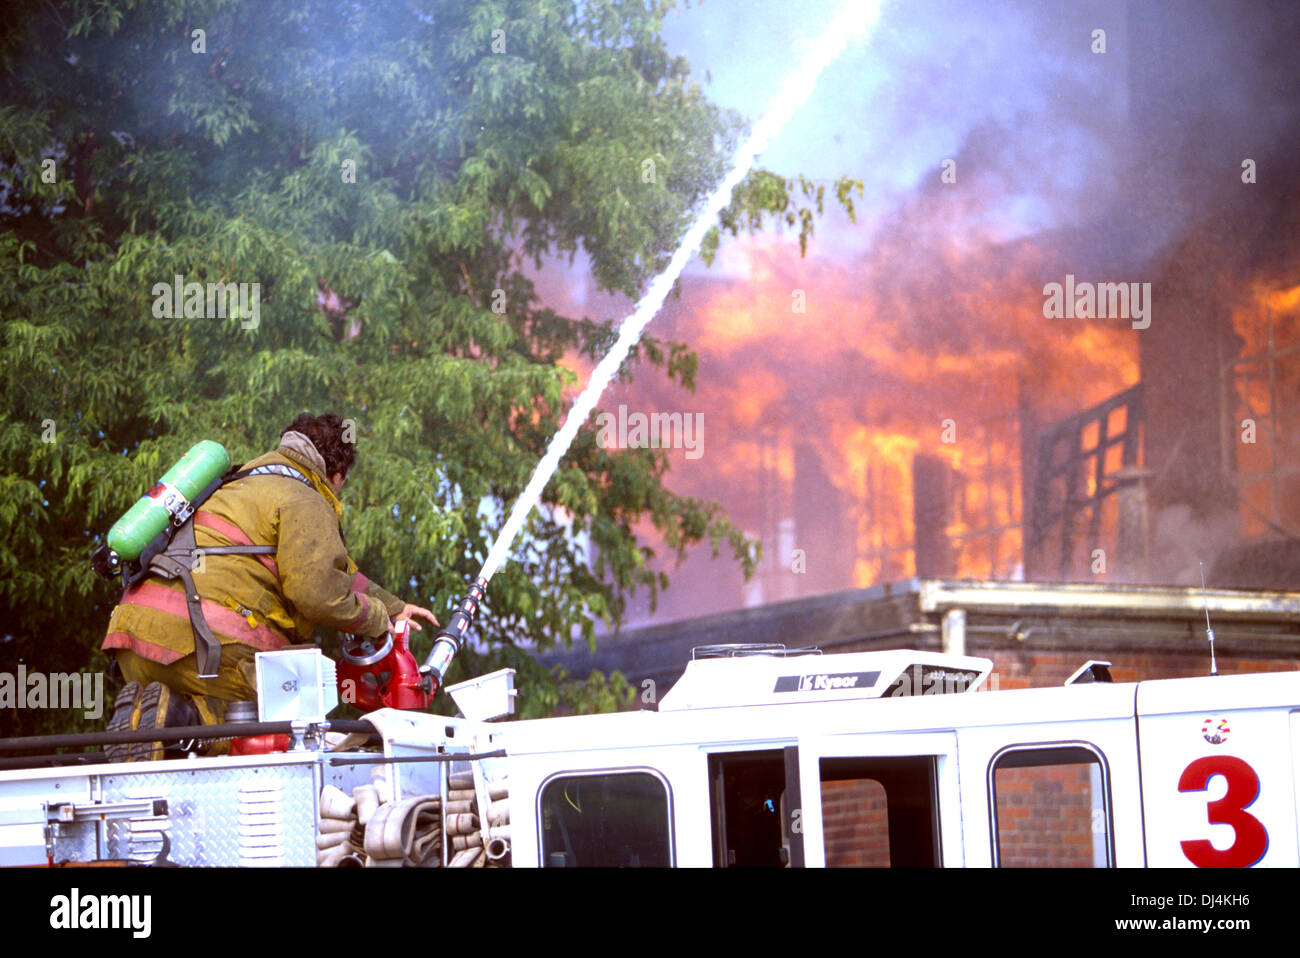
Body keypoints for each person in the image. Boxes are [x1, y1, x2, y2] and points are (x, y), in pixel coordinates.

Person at [102, 413, 439, 759]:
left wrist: (396, 606)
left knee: (172, 741)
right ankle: (178, 719)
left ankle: (154, 715)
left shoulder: (235, 483)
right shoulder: (307, 498)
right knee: (279, 721)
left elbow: (336, 570)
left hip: (134, 639)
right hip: (206, 648)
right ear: (337, 475)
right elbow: (318, 595)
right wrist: (377, 618)